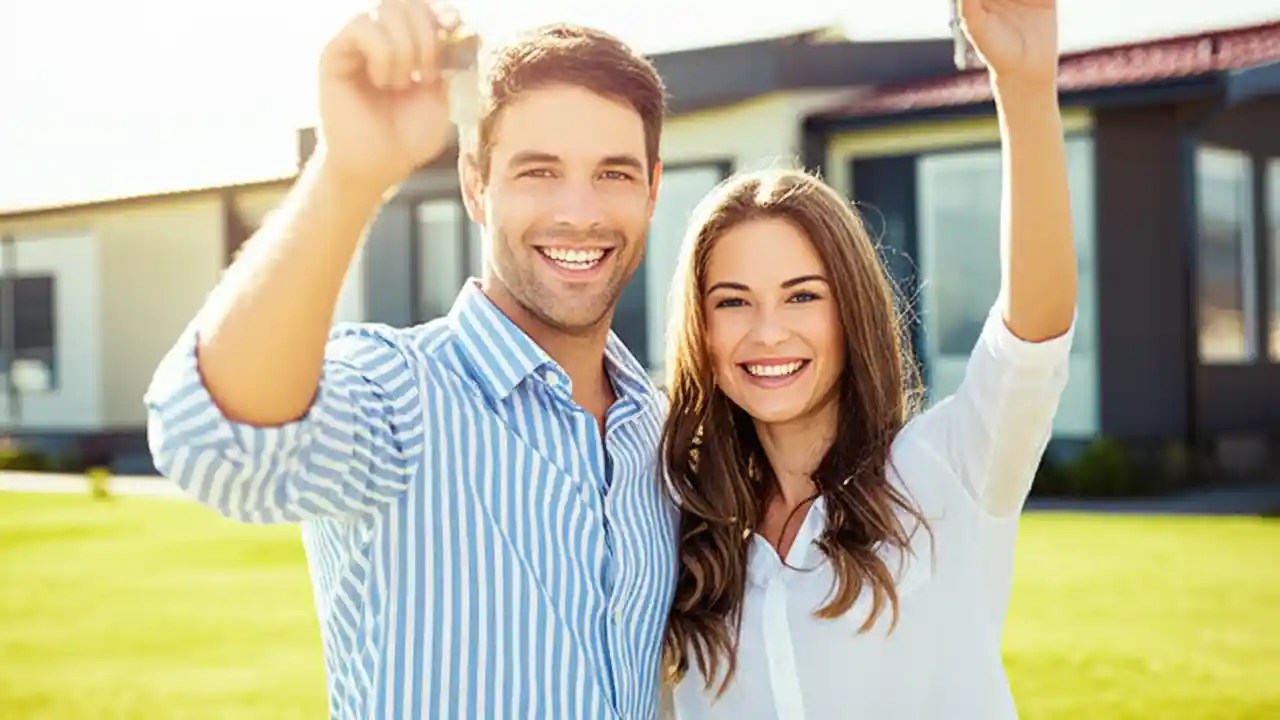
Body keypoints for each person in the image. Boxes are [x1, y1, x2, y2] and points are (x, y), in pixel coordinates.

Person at [143, 3, 678, 718]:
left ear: (652, 189)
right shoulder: (399, 394)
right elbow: (213, 443)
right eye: (539, 172)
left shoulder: (661, 430)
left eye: (612, 174)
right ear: (474, 186)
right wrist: (349, 175)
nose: (579, 212)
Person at [659, 1, 1075, 717]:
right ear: (701, 330)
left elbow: (1032, 337)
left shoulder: (945, 472)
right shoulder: (686, 544)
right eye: (732, 302)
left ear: (850, 309)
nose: (767, 333)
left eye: (801, 297)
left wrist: (1026, 86)